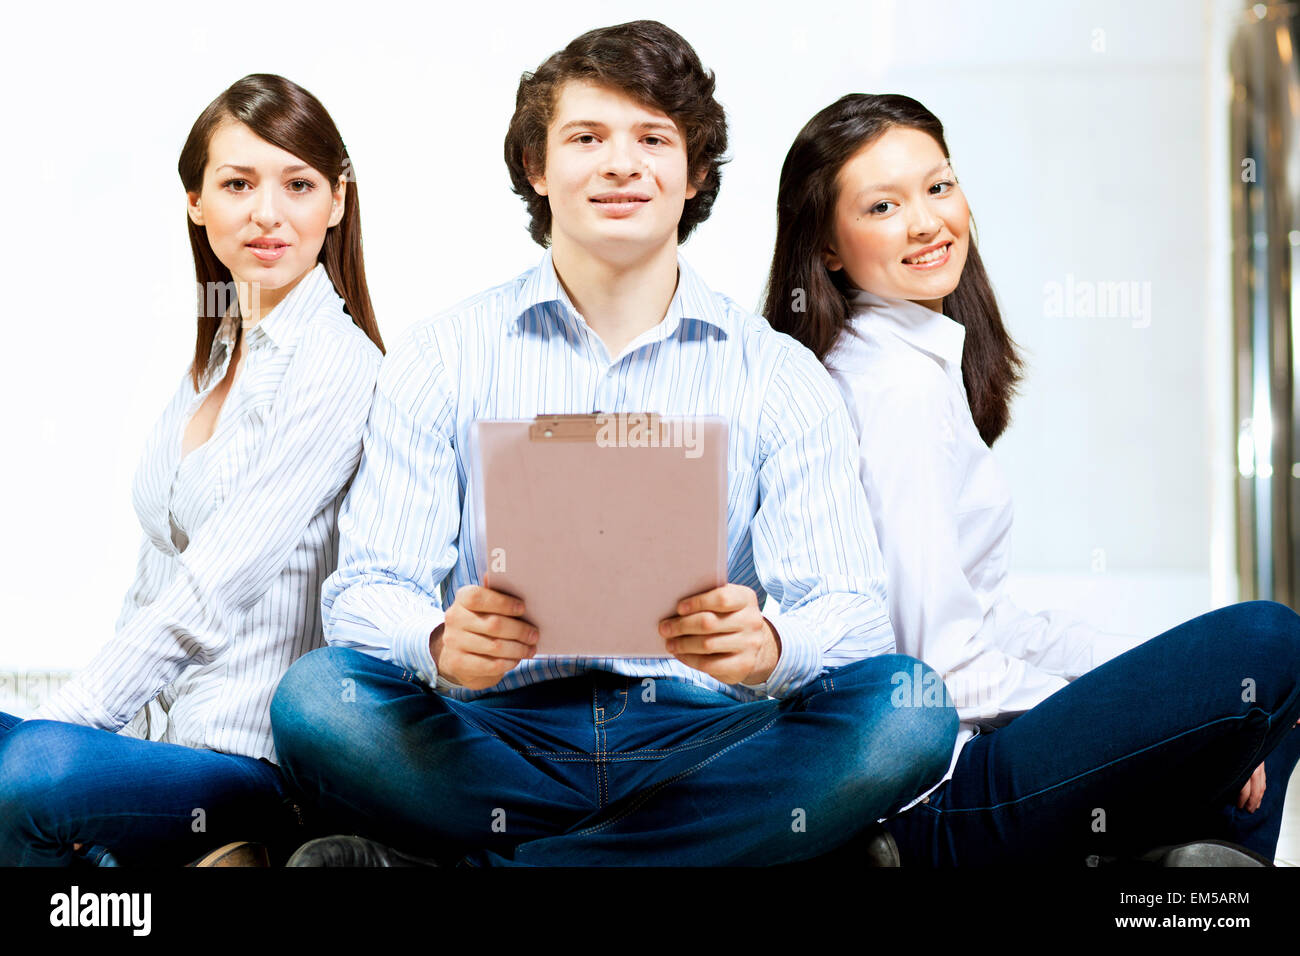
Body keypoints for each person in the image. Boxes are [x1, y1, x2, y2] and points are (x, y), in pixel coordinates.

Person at [269, 21, 957, 867]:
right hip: (496, 740)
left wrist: (774, 645)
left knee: (909, 708)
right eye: (587, 137)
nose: (622, 164)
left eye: (653, 138)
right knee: (315, 701)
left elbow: (852, 614)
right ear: (537, 166)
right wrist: (440, 642)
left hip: (708, 741)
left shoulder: (778, 376)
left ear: (696, 171)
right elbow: (367, 592)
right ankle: (718, 858)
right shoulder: (442, 355)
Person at [763, 92, 1300, 866]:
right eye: (883, 205)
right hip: (936, 794)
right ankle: (1191, 871)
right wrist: (1166, 731)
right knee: (1270, 641)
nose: (926, 221)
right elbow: (937, 669)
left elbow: (989, 619)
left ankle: (1186, 874)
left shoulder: (917, 362)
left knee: (1262, 699)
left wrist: (1167, 692)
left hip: (970, 765)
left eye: (938, 186)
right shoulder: (891, 388)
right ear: (830, 250)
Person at [0, 74, 385, 867]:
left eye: (299, 184)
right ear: (195, 201)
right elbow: (153, 579)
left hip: (245, 761)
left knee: (30, 775)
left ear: (338, 200)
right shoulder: (210, 366)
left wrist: (67, 724)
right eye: (237, 183)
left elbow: (212, 587)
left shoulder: (338, 366)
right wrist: (101, 729)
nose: (267, 212)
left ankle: (214, 851)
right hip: (157, 743)